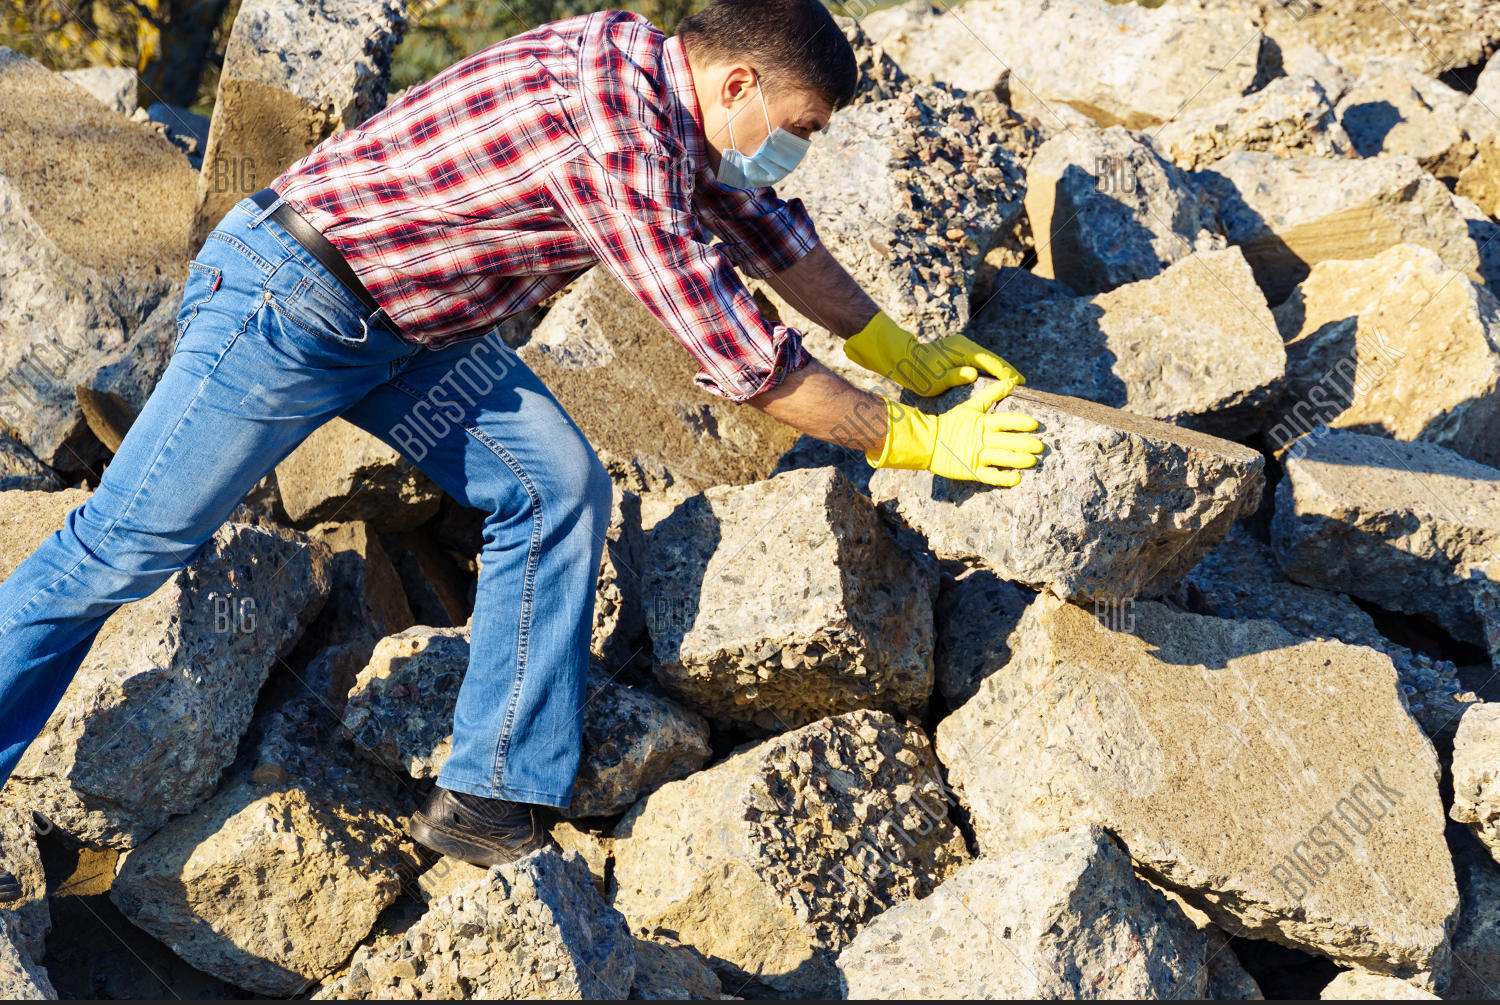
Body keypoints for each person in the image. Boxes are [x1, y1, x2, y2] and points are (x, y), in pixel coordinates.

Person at [0, 0, 1043, 887]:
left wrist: (892, 346)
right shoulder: (616, 131)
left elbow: (768, 233)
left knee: (552, 486)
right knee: (126, 545)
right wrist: (909, 438)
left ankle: (494, 793)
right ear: (737, 84)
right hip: (293, 303)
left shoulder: (674, 96)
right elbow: (746, 361)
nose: (798, 147)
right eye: (800, 125)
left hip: (412, 331)